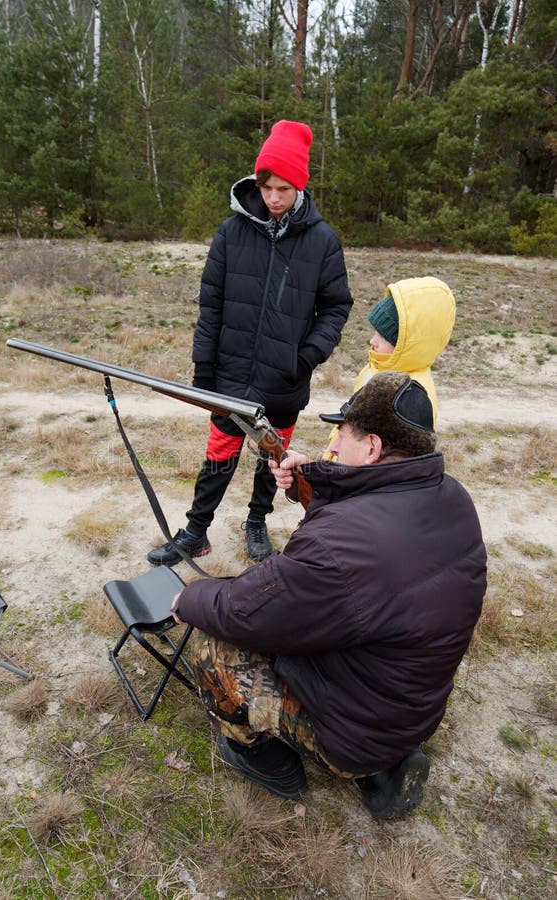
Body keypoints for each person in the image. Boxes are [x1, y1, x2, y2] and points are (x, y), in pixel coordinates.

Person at [170, 372, 487, 819]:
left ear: (373, 447)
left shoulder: (339, 546)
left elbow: (249, 612)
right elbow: (367, 544)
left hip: (357, 730)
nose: (333, 444)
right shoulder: (453, 496)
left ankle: (271, 763)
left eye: (342, 431)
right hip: (410, 706)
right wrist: (316, 479)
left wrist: (192, 599)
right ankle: (389, 757)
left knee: (213, 645)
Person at [147, 120, 353, 566]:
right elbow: (212, 307)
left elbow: (337, 307)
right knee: (218, 457)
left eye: (283, 188)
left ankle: (256, 521)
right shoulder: (230, 234)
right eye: (266, 187)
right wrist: (204, 374)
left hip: (284, 380)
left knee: (272, 462)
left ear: (300, 185)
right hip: (230, 376)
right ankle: (196, 532)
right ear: (255, 183)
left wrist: (306, 357)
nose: (274, 198)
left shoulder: (323, 243)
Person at [324, 276, 455, 458]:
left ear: (406, 344)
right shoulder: (374, 368)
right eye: (375, 332)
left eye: (383, 336)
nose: (372, 341)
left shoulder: (413, 394)